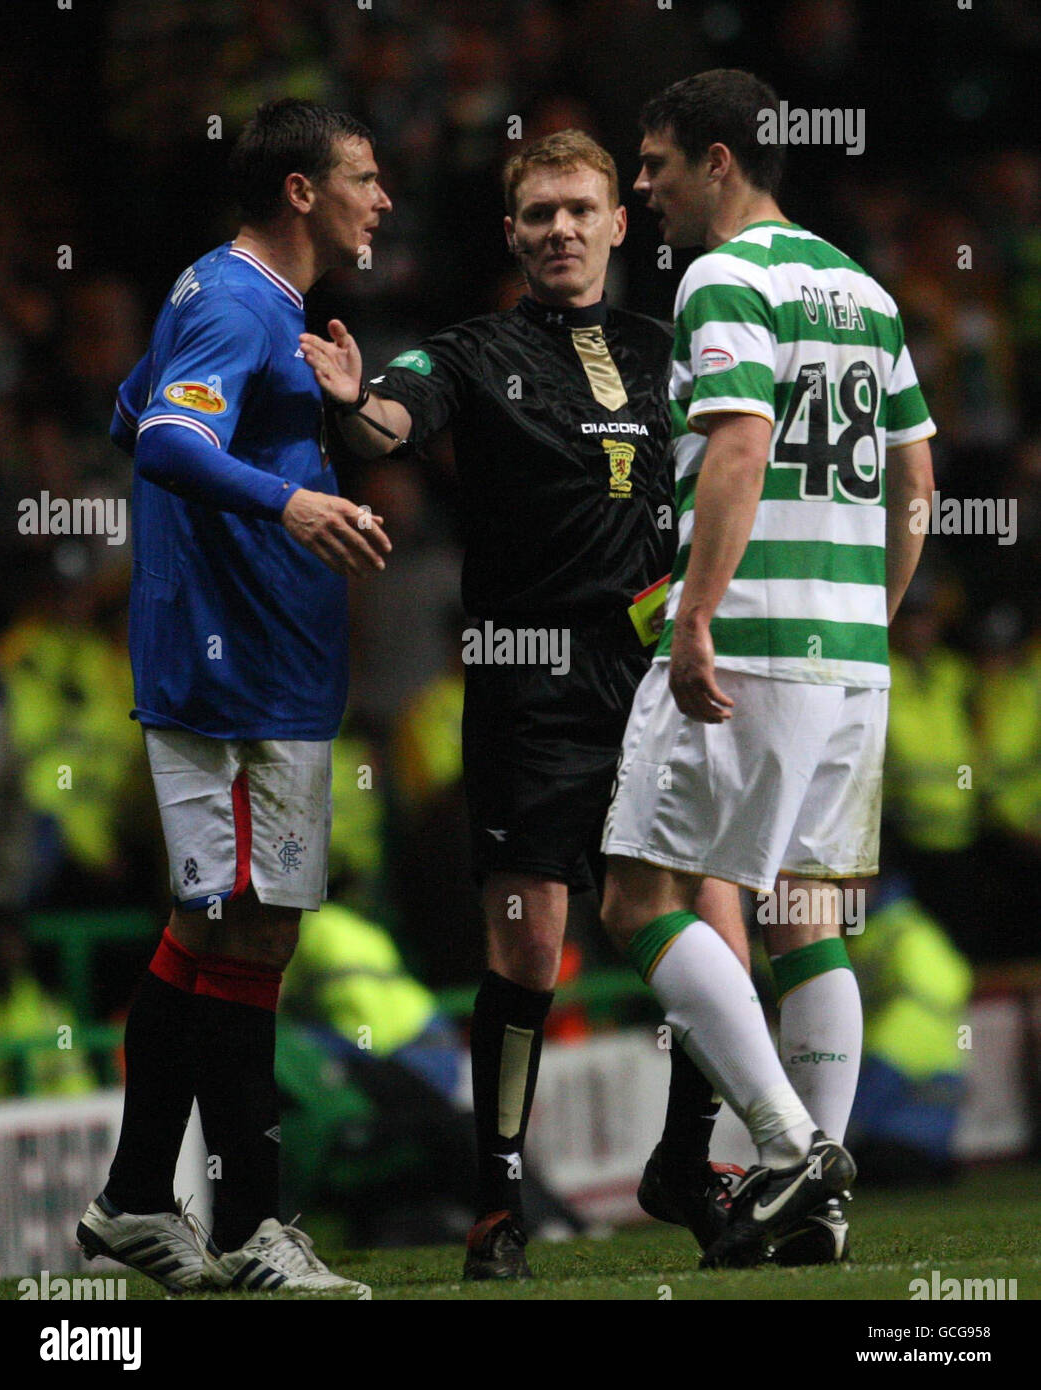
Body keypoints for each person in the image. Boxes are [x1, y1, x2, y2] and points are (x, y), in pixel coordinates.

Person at [299, 129, 739, 1279]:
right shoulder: (469, 349)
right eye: (536, 213)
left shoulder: (671, 348)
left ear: (613, 222)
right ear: (510, 234)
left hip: (658, 676)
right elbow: (393, 416)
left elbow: (739, 462)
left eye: (578, 209)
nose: (557, 229)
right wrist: (354, 408)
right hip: (529, 680)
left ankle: (688, 1159)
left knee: (710, 923)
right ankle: (498, 1198)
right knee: (532, 946)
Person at [599, 69, 936, 1268]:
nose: (642, 188)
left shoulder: (721, 278)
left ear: (721, 162)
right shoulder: (866, 288)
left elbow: (738, 440)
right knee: (804, 912)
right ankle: (821, 1212)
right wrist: (864, 623)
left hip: (743, 640)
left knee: (637, 893)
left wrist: (695, 615)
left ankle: (793, 1150)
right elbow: (917, 489)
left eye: (655, 164)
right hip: (849, 657)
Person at [76, 98, 393, 1294]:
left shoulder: (231, 299)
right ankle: (258, 1227)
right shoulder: (236, 297)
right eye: (364, 176)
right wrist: (287, 504)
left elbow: (129, 406)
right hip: (235, 671)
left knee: (219, 924)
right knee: (250, 928)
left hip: (259, 659)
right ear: (303, 191)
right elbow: (160, 440)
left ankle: (134, 1200)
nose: (384, 198)